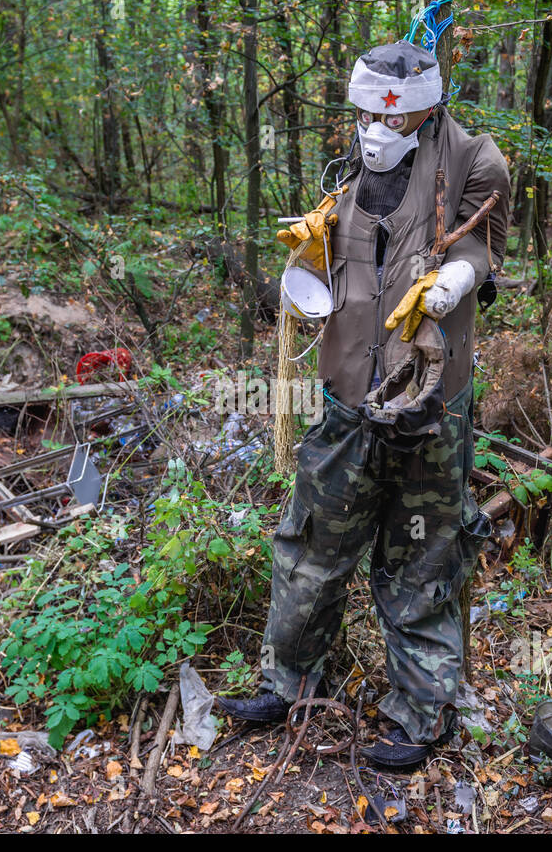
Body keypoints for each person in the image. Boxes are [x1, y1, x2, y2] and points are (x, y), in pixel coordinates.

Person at [218, 39, 511, 768]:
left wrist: (454, 281)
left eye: (392, 120)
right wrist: (314, 247)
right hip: (346, 393)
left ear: (428, 109)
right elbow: (348, 248)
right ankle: (286, 681)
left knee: (423, 560)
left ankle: (419, 714)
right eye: (361, 114)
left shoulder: (475, 160)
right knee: (311, 544)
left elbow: (486, 248)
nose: (374, 131)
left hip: (427, 403)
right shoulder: (350, 162)